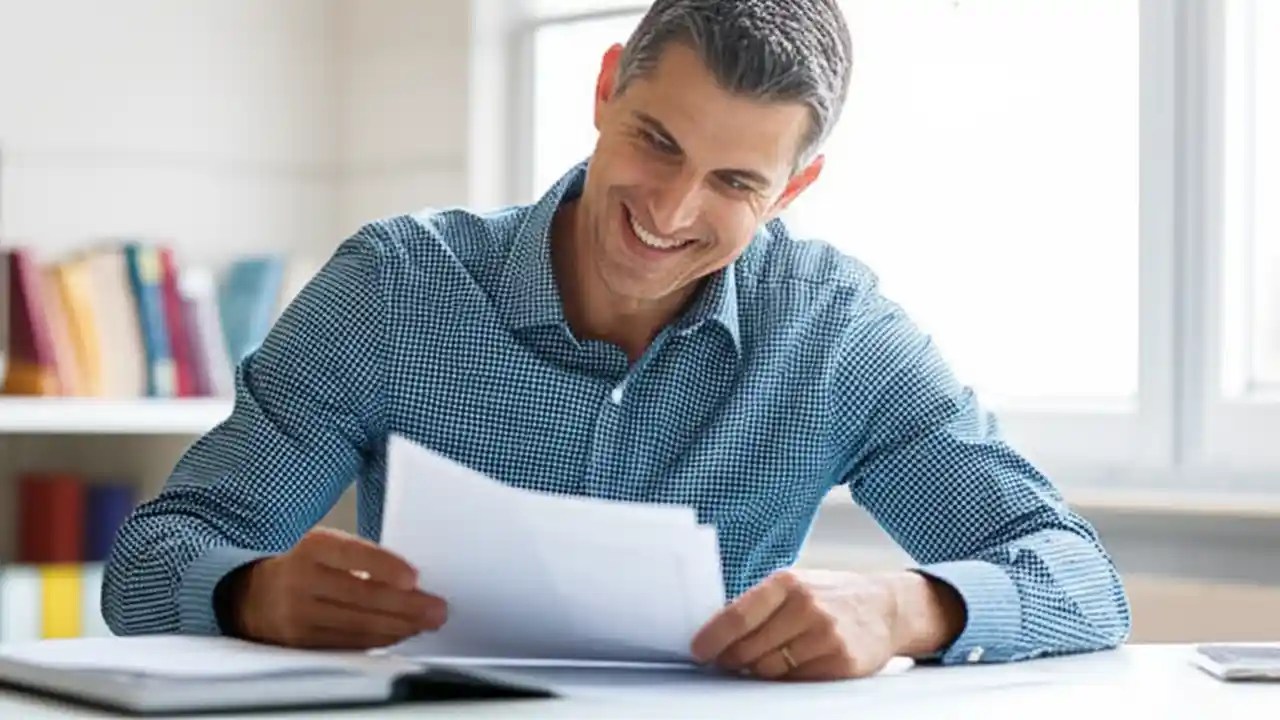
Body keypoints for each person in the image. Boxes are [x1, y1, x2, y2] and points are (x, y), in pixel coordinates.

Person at [103, 0, 1131, 681]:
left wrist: (909, 611)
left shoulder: (836, 335)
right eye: (655, 141)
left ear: (794, 188)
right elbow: (148, 565)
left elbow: (1077, 578)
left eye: (734, 183)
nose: (670, 212)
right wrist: (253, 593)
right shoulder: (391, 289)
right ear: (604, 90)